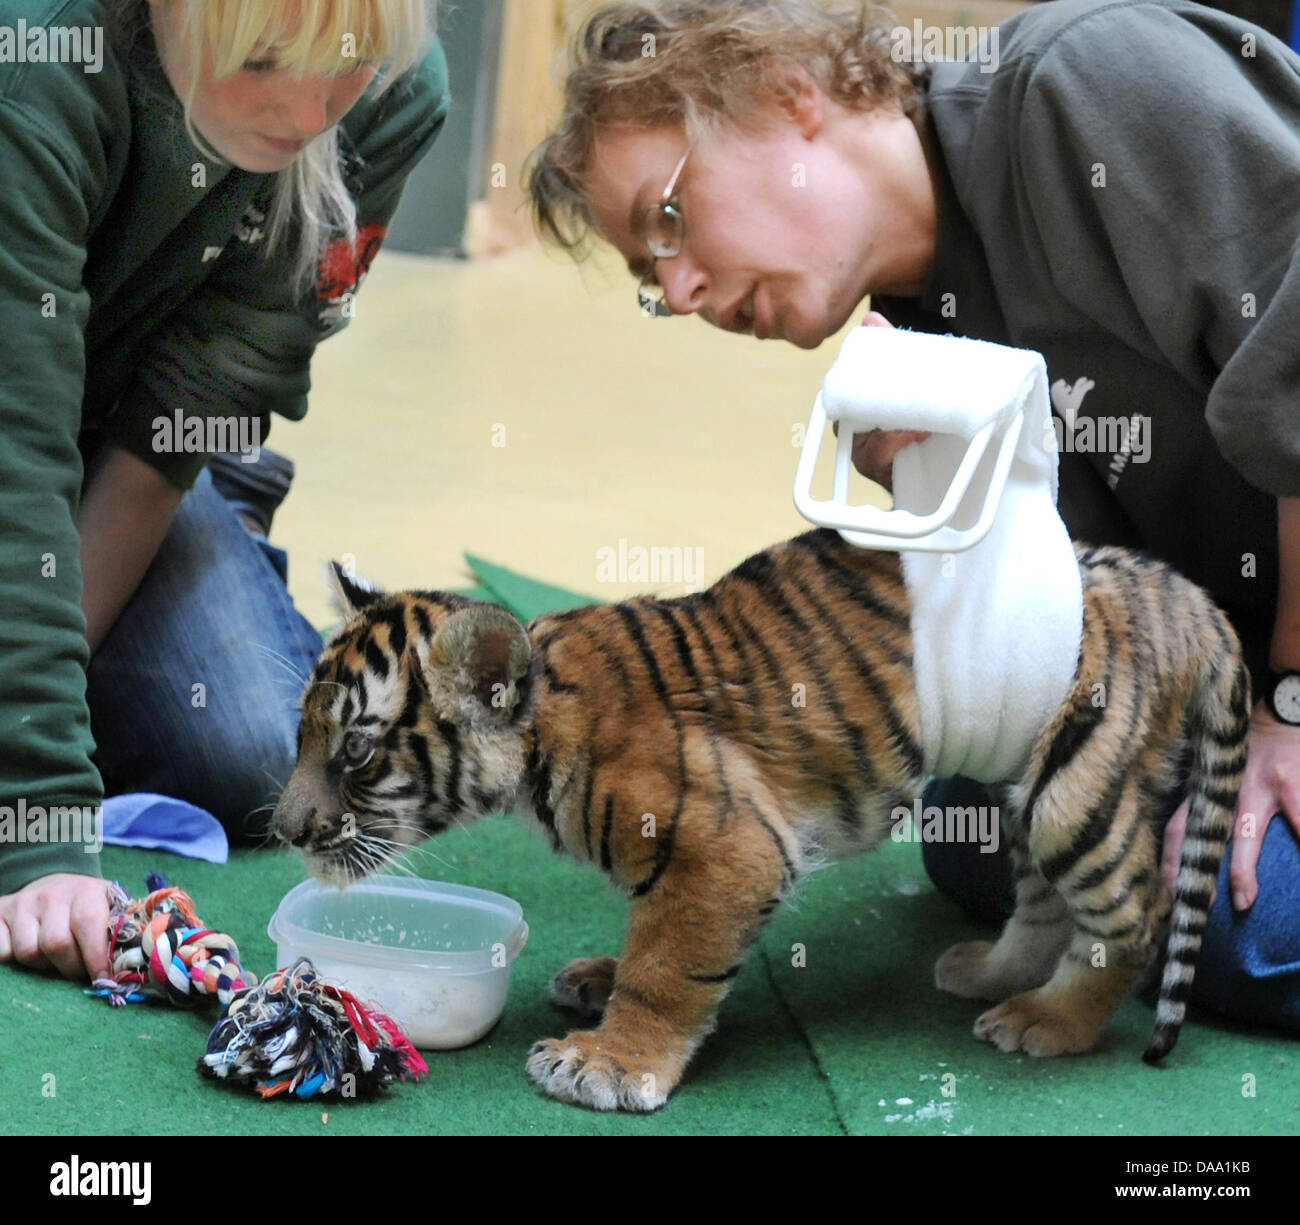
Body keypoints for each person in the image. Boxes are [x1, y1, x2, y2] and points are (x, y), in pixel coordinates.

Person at [527, 0, 1300, 1028]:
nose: (682, 287)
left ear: (783, 93)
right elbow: (1075, 635)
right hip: (1220, 665)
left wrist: (1287, 705)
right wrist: (941, 512)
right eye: (647, 281)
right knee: (974, 828)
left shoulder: (1083, 82)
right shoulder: (910, 336)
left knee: (1249, 929)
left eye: (667, 220)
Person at [0, 0, 448, 982]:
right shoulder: (39, 61)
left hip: (124, 425)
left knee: (250, 746)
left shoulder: (401, 92)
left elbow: (175, 423)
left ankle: (225, 514)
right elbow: (16, 445)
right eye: (261, 59)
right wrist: (37, 811)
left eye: (349, 65)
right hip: (23, 420)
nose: (306, 110)